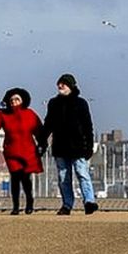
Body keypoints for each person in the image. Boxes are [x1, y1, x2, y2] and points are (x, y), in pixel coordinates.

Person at [38, 73, 98, 215]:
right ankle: (67, 204)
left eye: (63, 84)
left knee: (82, 173)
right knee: (64, 177)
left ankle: (89, 201)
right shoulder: (53, 103)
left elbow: (88, 126)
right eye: (59, 84)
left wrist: (89, 147)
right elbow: (48, 124)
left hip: (78, 146)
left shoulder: (81, 103)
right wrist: (42, 141)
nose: (60, 86)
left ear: (71, 86)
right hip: (60, 146)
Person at [0, 87, 43, 215]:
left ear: (22, 100)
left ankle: (29, 202)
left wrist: (42, 145)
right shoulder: (4, 114)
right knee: (15, 178)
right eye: (11, 100)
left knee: (26, 178)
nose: (13, 102)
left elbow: (39, 130)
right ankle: (16, 206)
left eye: (16, 99)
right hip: (12, 151)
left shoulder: (30, 114)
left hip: (28, 151)